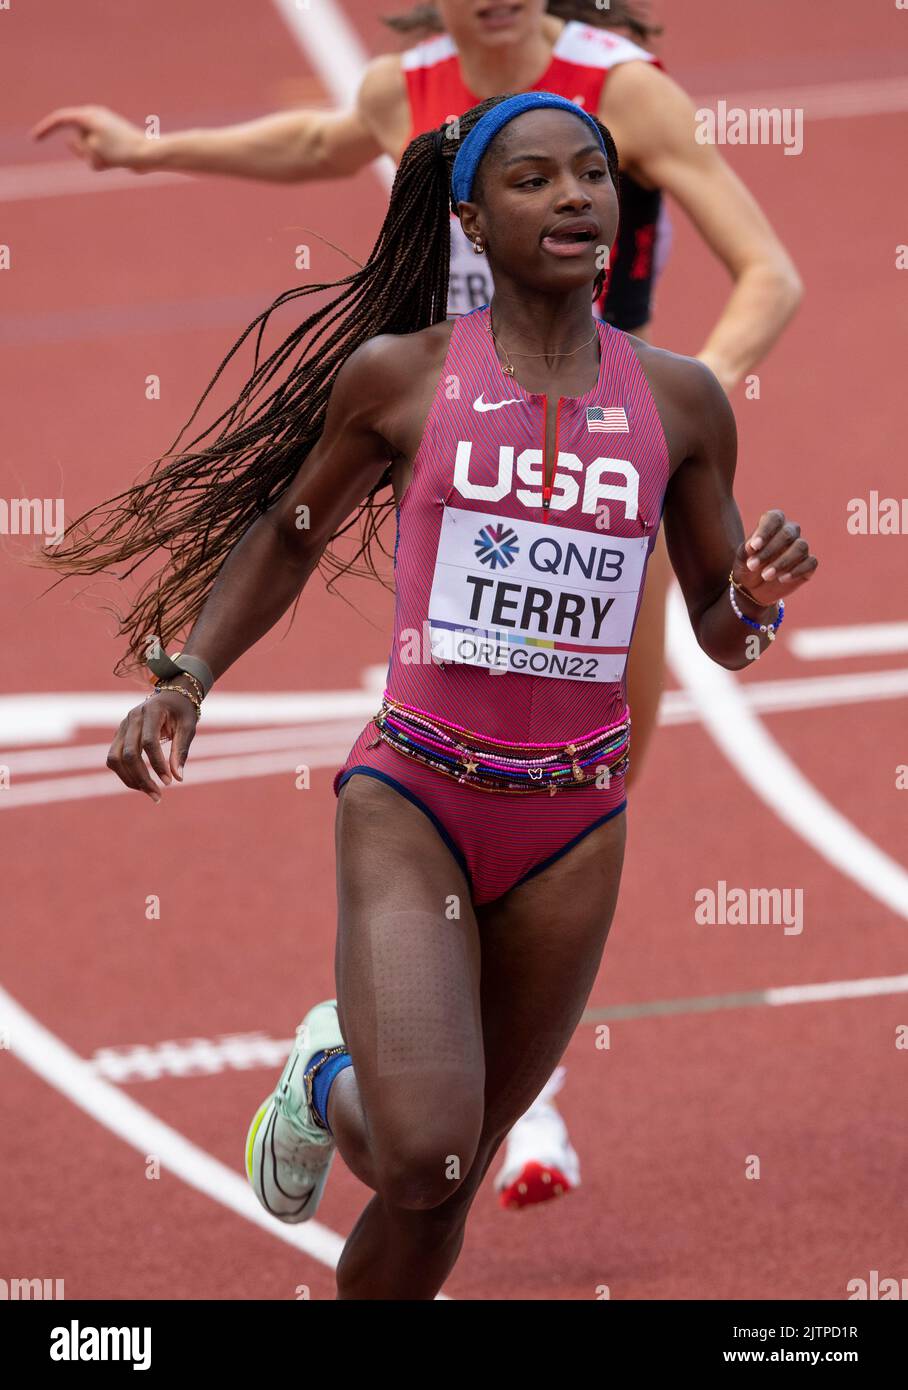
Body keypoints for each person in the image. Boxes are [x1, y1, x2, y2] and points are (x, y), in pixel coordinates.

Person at [37, 93, 817, 1299]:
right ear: (468, 216)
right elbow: (288, 535)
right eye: (532, 181)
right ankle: (320, 1081)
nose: (571, 196)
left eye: (592, 175)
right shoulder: (402, 377)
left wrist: (755, 599)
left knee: (449, 1184)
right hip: (415, 799)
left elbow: (718, 630)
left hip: (574, 824)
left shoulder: (679, 401)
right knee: (419, 1152)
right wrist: (186, 676)